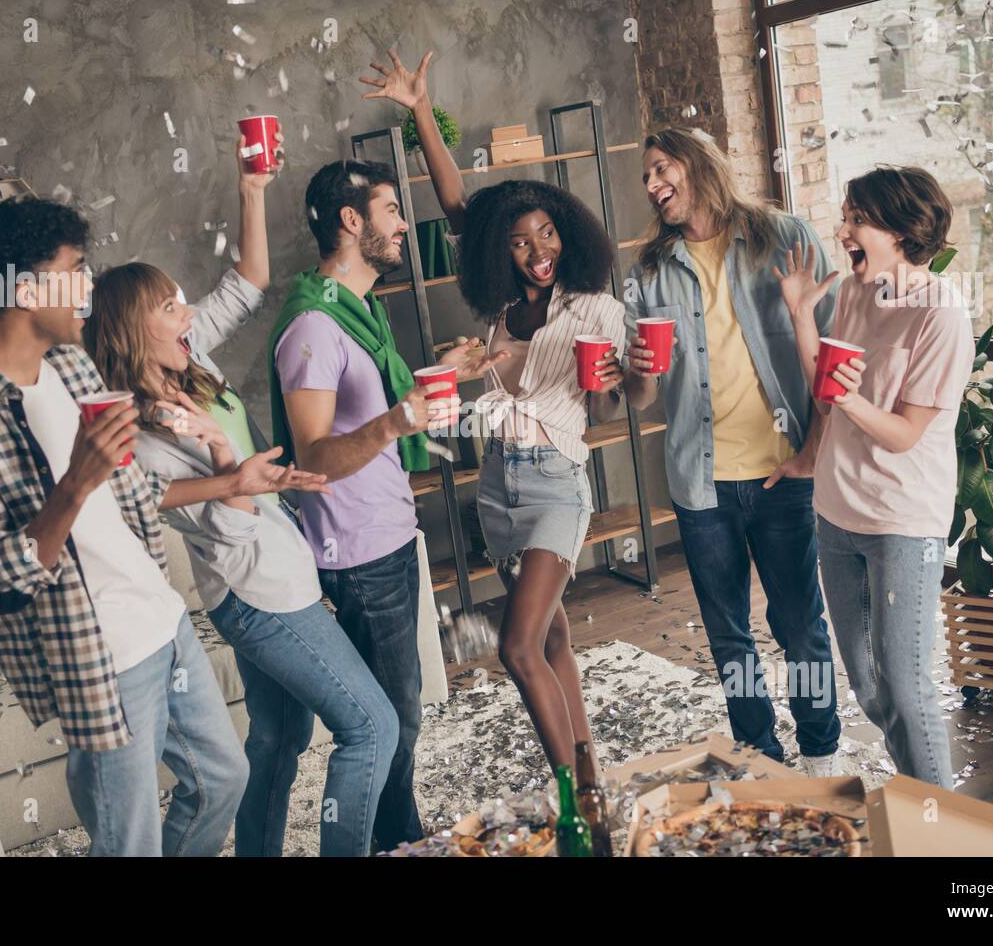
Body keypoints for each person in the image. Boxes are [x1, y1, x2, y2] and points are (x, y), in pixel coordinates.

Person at [0, 196, 278, 856]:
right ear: (25, 288)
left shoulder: (75, 367)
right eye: (76, 269)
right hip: (99, 657)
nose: (89, 286)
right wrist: (74, 482)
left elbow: (131, 493)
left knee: (224, 778)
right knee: (126, 842)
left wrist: (231, 479)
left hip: (162, 622)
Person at [84, 134, 401, 856]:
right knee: (372, 728)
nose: (187, 311)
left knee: (281, 736)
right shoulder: (141, 432)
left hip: (274, 574)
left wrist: (251, 188)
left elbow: (247, 282)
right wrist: (233, 470)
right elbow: (220, 534)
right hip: (259, 595)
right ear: (139, 327)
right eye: (170, 306)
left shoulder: (189, 363)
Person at [362, 50, 627, 779]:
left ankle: (578, 799)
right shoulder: (503, 313)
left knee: (515, 648)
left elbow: (612, 403)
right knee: (551, 644)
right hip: (498, 491)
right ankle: (592, 773)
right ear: (502, 252)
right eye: (520, 240)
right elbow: (460, 210)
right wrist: (420, 111)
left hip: (555, 487)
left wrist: (609, 381)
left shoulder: (595, 308)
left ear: (565, 233)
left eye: (546, 234)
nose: (537, 250)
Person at [268, 155, 503, 851]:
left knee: (400, 718)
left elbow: (376, 406)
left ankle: (401, 839)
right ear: (351, 221)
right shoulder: (312, 327)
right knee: (386, 725)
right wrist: (399, 422)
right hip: (358, 554)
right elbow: (314, 455)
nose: (404, 225)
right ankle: (390, 842)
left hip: (390, 537)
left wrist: (444, 375)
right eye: (392, 211)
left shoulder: (356, 308)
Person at [621, 128, 843, 774]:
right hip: (701, 485)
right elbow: (640, 398)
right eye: (646, 177)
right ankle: (760, 752)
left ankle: (822, 750)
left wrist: (815, 450)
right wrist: (635, 368)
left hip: (783, 474)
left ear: (698, 165)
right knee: (729, 637)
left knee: (800, 624)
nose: (653, 185)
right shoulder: (650, 270)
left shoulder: (785, 238)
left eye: (661, 169)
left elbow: (831, 355)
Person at [774, 166, 971, 788]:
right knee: (863, 679)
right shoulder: (857, 293)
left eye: (857, 218)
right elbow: (827, 394)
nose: (843, 230)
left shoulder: (941, 314)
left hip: (903, 521)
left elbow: (906, 432)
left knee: (906, 684)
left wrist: (852, 400)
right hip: (837, 512)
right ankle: (918, 788)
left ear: (902, 230)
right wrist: (804, 316)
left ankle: (939, 823)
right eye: (848, 215)